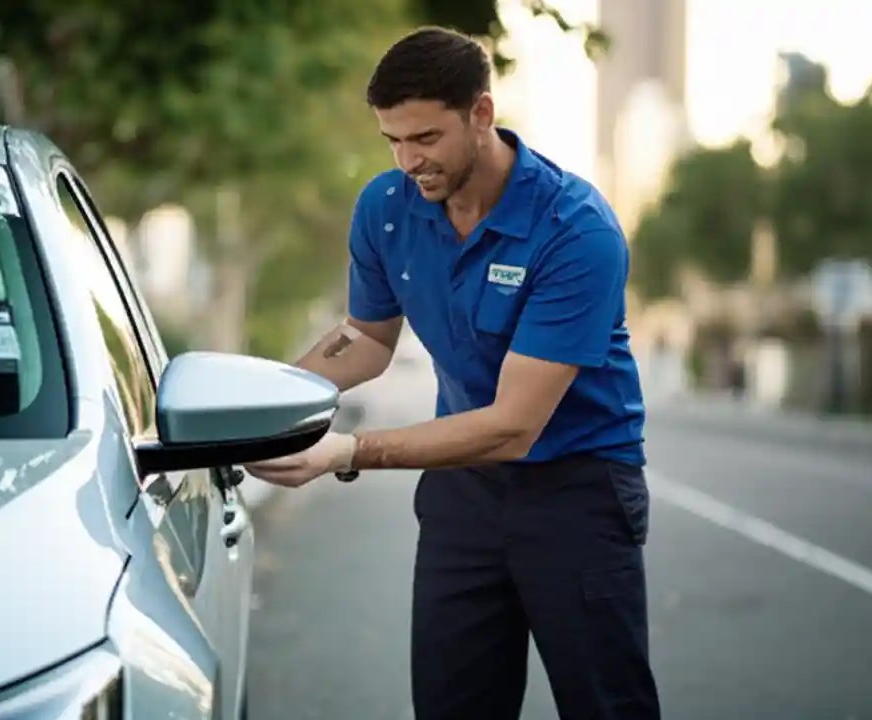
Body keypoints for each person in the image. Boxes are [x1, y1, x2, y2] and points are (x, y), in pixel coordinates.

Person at [244, 26, 661, 720]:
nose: (408, 161)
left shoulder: (575, 229)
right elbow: (366, 338)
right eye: (393, 141)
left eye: (426, 139)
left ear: (482, 114)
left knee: (606, 708)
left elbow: (512, 427)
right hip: (463, 496)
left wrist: (346, 452)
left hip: (579, 488)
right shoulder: (385, 209)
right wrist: (259, 407)